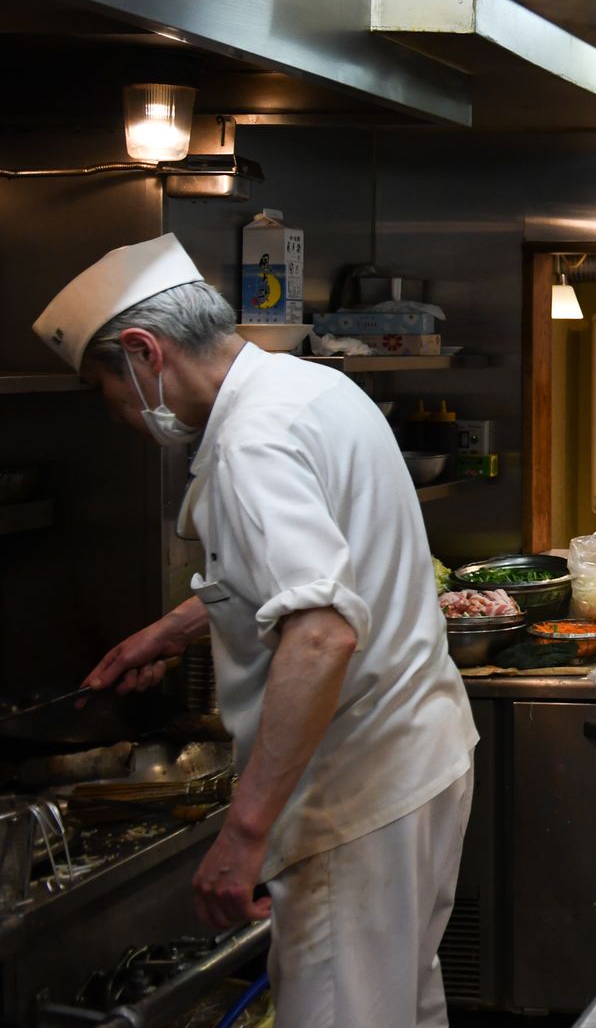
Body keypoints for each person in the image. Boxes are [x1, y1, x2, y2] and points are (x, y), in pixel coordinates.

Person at [37, 236, 476, 1026]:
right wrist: (172, 629)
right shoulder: (312, 388)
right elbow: (319, 572)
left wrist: (244, 833)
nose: (120, 416)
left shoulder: (250, 443)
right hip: (420, 757)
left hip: (353, 787)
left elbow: (323, 631)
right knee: (398, 1006)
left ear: (144, 351)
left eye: (110, 392)